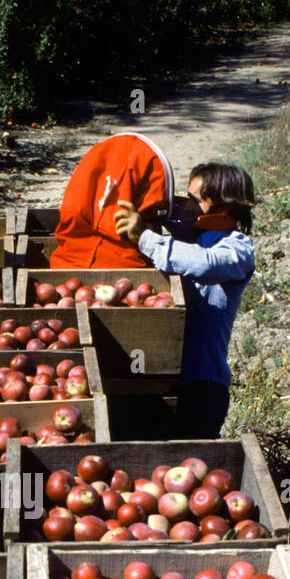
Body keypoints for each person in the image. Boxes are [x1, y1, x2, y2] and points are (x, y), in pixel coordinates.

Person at [114, 163, 256, 439]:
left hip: (203, 388)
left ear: (222, 208)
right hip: (163, 379)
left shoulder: (237, 249)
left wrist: (144, 237)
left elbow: (204, 264)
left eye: (194, 200)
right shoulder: (189, 238)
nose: (186, 206)